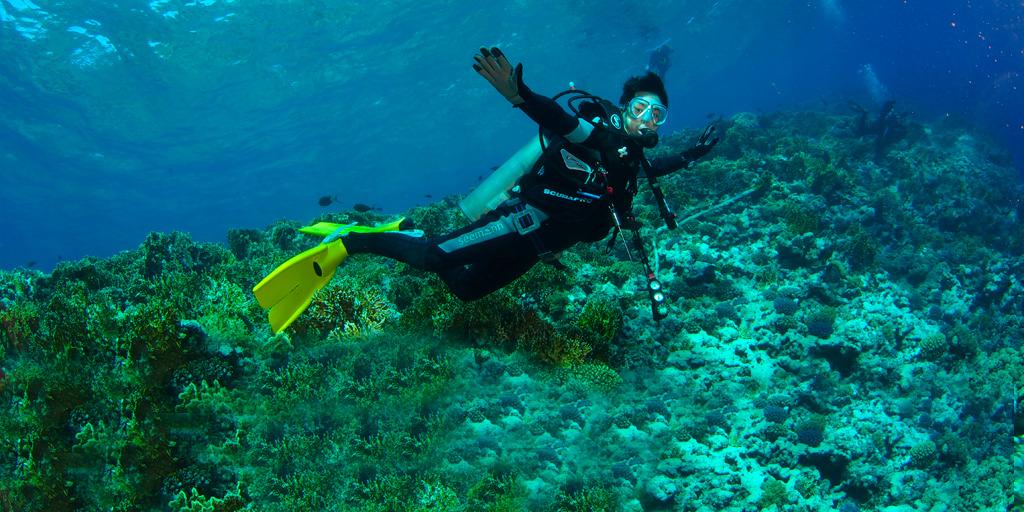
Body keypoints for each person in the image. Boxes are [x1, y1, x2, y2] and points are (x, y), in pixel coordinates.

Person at [253, 47, 718, 333]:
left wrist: (692, 156)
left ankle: (406, 229)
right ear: (624, 107)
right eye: (641, 109)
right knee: (435, 259)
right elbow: (566, 124)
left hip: (536, 247)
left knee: (465, 289)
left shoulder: (630, 156)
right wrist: (522, 97)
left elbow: (650, 167)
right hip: (521, 221)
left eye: (658, 115)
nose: (647, 121)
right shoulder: (604, 137)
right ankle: (349, 244)